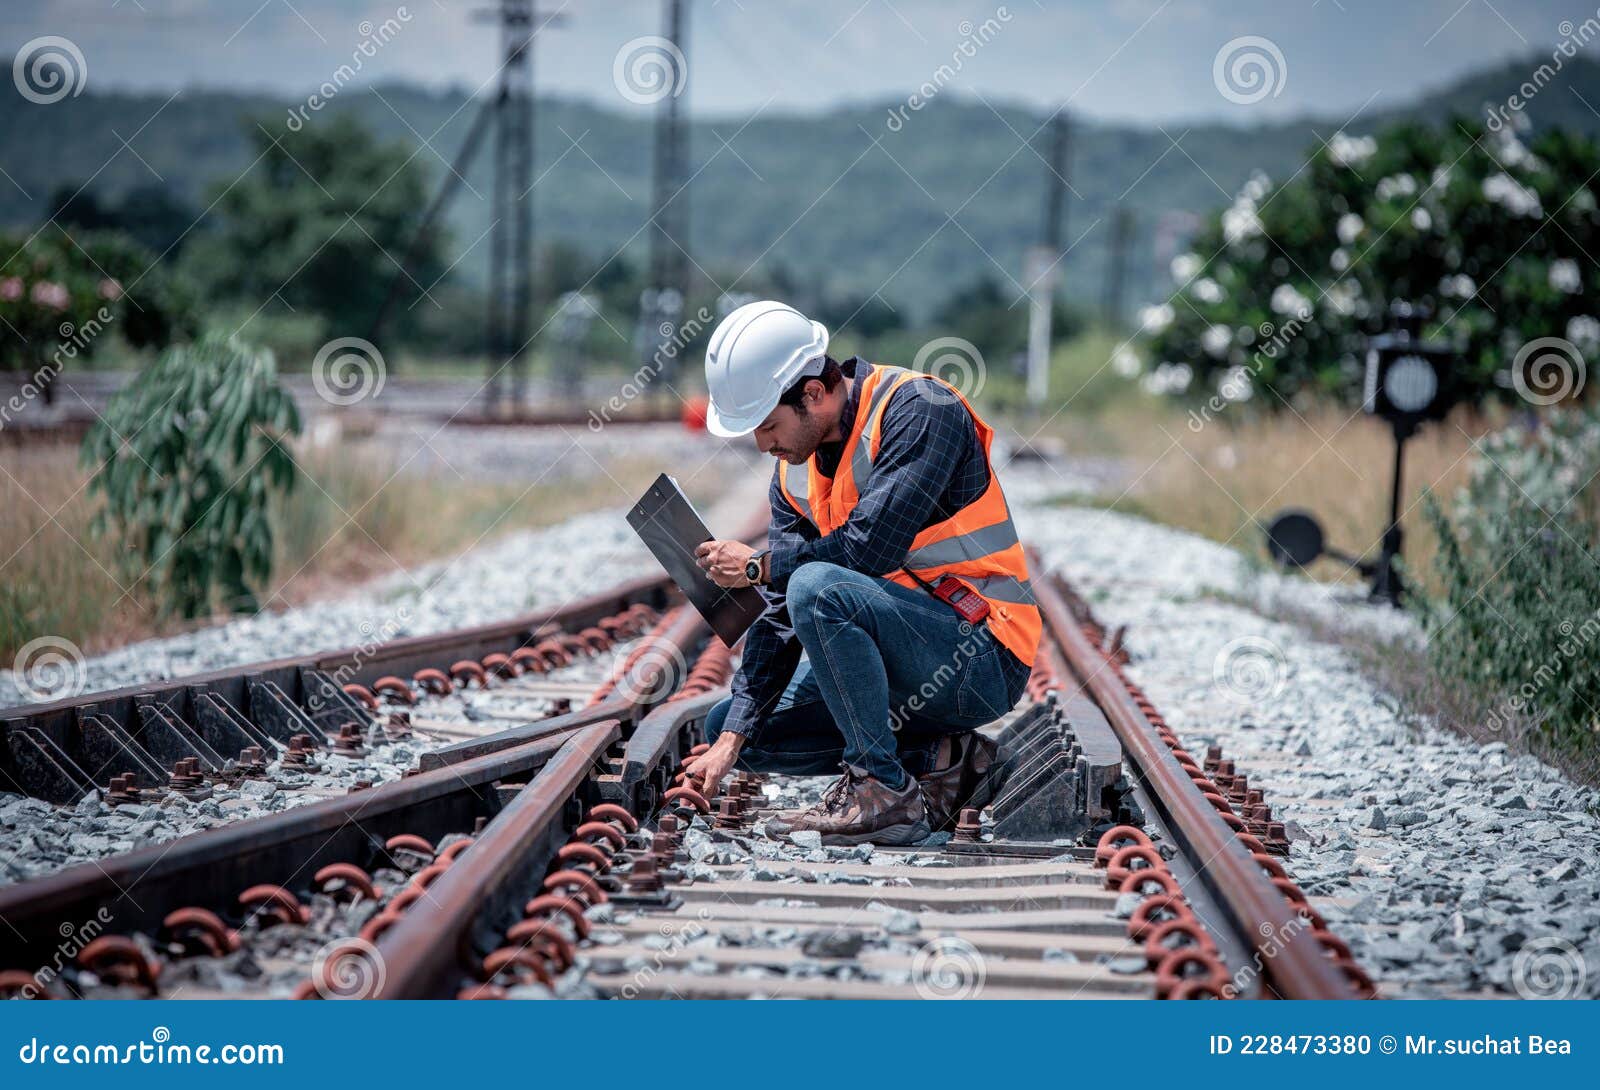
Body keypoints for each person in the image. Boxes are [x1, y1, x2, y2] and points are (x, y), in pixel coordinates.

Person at [683, 300, 1040, 845]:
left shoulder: (919, 411)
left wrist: (756, 566)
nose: (762, 444)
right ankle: (946, 758)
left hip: (980, 655)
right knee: (732, 726)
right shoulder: (794, 476)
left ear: (814, 392)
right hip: (899, 657)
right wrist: (732, 740)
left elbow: (867, 551)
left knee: (817, 587)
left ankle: (881, 792)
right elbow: (780, 615)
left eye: (768, 425)